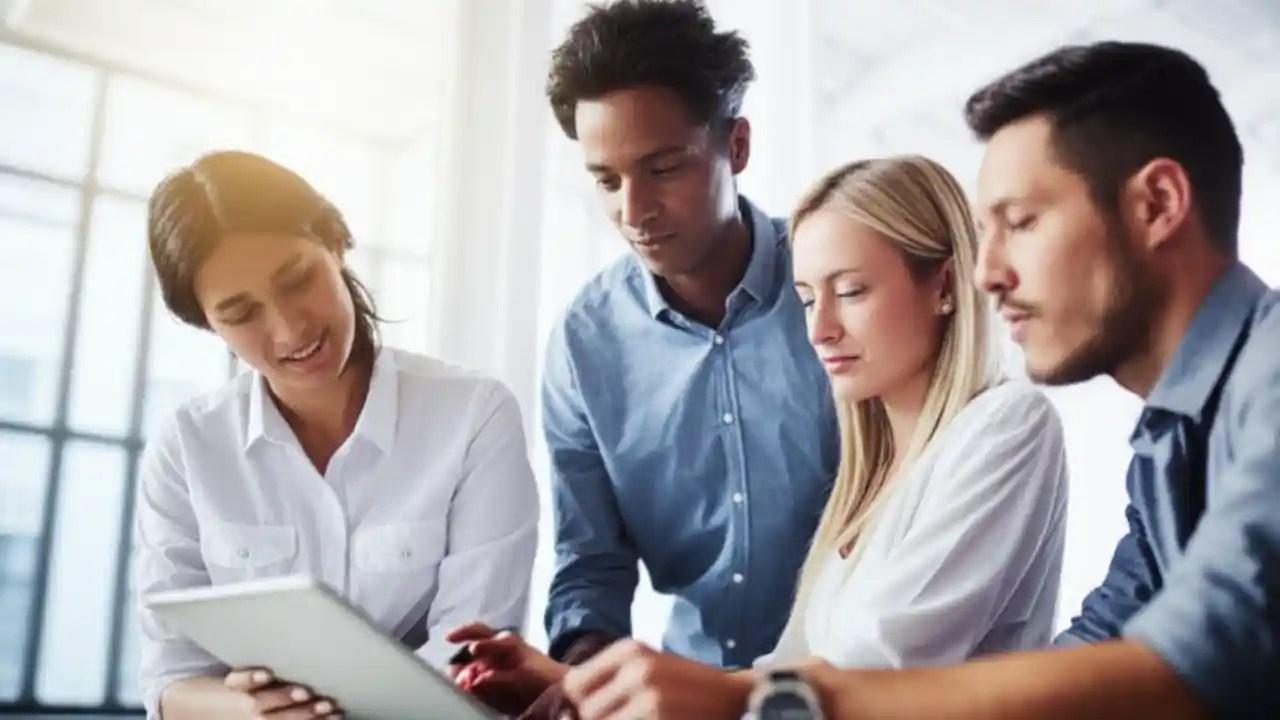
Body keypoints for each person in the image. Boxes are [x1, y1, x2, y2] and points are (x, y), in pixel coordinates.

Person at [570, 39, 1277, 719]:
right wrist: (608, 694)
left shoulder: (1268, 381)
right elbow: (1102, 646)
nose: (987, 273)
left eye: (1021, 223)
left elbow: (1196, 666)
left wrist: (754, 700)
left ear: (1157, 205)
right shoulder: (1168, 443)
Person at [554, 154, 1071, 718]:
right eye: (805, 298)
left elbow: (882, 662)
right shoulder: (865, 475)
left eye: (850, 292)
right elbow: (791, 666)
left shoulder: (1008, 424)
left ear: (944, 285)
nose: (820, 329)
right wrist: (586, 687)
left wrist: (674, 690)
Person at [450, 0, 838, 716]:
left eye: (663, 168)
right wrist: (581, 677)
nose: (634, 211)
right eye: (606, 180)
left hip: (858, 690)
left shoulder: (840, 288)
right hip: (682, 700)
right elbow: (590, 563)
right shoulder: (583, 343)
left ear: (738, 146)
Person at [133, 151, 538, 720]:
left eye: (298, 280)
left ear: (335, 243)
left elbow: (475, 653)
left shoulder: (474, 413)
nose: (289, 327)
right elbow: (171, 680)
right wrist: (256, 712)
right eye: (240, 312)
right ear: (209, 324)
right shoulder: (186, 446)